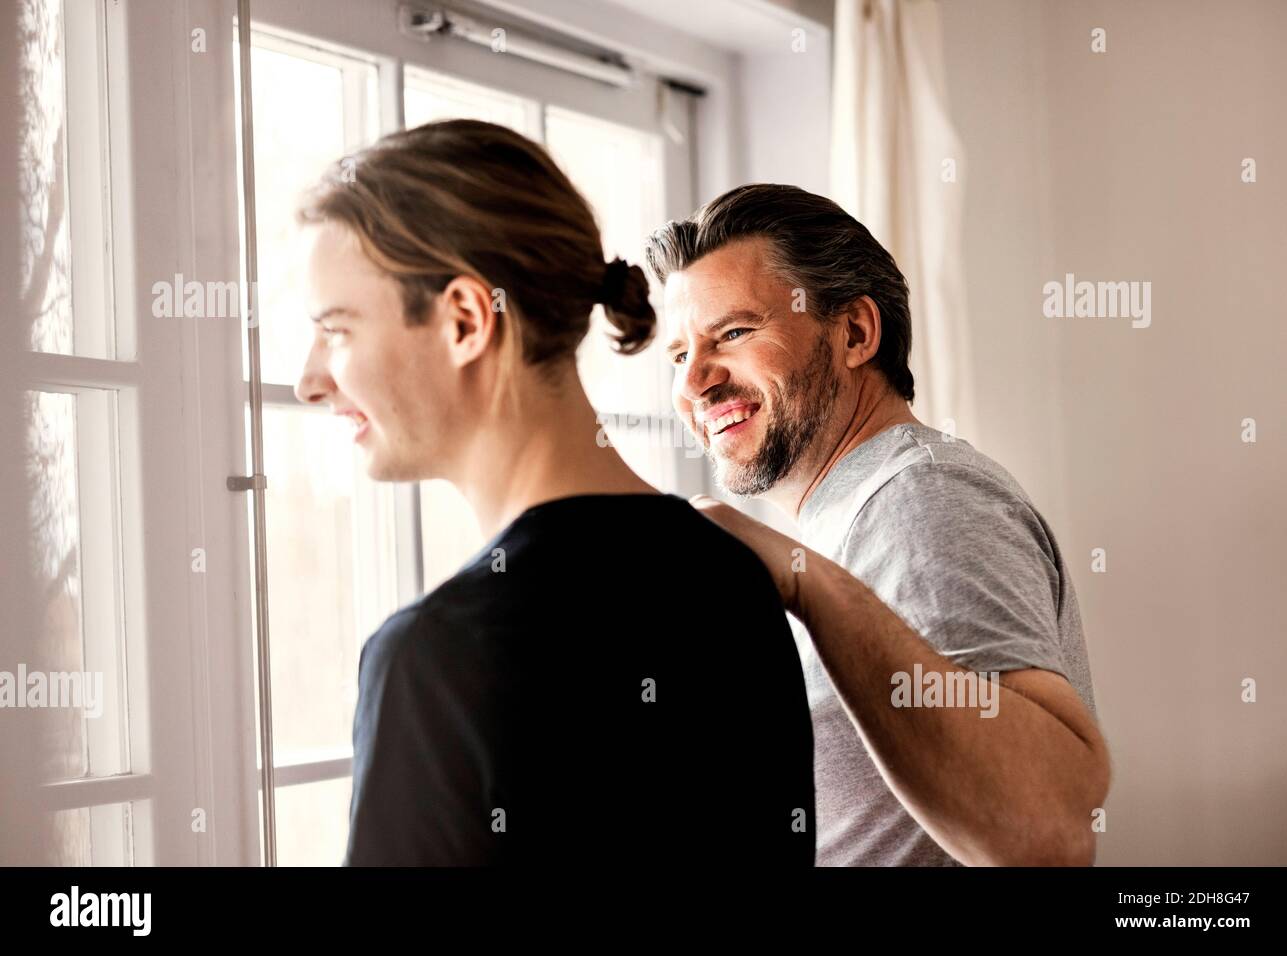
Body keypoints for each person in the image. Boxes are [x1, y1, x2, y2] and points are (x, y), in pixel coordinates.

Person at [292, 121, 814, 865]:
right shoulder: (734, 577)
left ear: (467, 320)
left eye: (335, 330)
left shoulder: (436, 658)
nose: (310, 381)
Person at [647, 184, 1111, 866]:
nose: (696, 384)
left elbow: (1048, 830)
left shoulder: (917, 501)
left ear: (857, 333)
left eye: (735, 333)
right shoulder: (854, 515)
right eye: (679, 356)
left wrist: (803, 582)